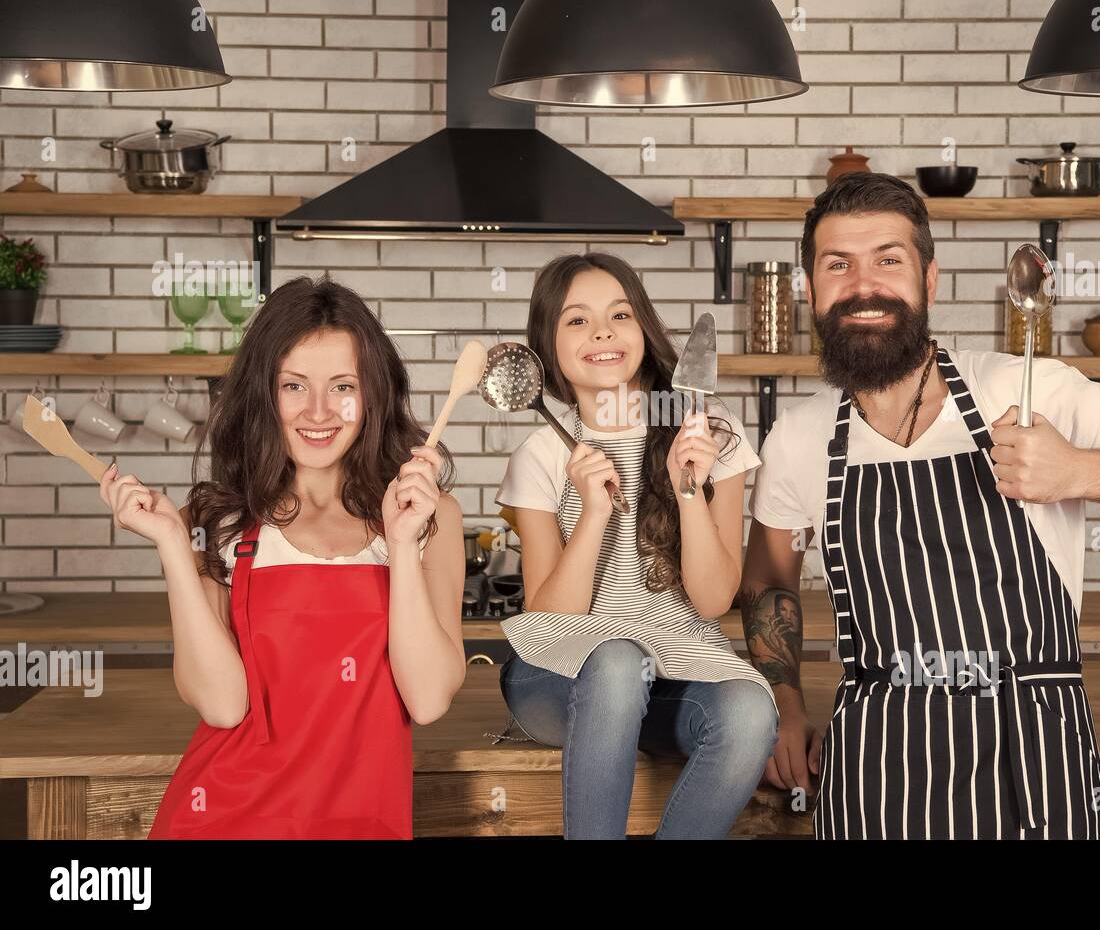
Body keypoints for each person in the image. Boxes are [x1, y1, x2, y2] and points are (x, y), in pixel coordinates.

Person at [740, 172, 1100, 839]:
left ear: (929, 280)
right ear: (811, 290)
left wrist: (1077, 470)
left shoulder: (1023, 387)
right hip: (878, 765)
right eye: (838, 264)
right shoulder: (800, 436)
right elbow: (768, 578)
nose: (863, 285)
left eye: (888, 260)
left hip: (1033, 756)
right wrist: (782, 701)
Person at [99, 276, 466, 839]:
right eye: (293, 386)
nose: (318, 412)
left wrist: (400, 541)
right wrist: (173, 547)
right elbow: (222, 706)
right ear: (263, 394)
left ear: (373, 393)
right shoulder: (220, 524)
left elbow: (429, 696)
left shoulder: (428, 518)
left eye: (342, 386)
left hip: (361, 824)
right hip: (225, 818)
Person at [495, 252, 778, 839]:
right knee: (621, 660)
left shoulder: (708, 429)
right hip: (559, 677)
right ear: (549, 348)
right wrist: (594, 512)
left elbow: (710, 601)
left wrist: (688, 490)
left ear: (643, 329)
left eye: (619, 314)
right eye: (576, 320)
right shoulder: (543, 455)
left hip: (676, 666)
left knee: (751, 713)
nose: (602, 331)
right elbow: (550, 620)